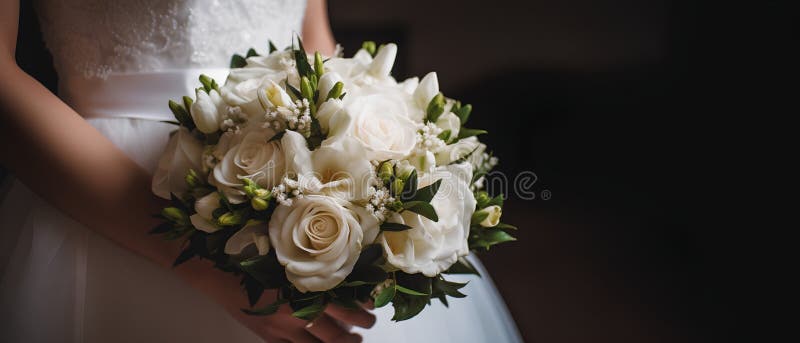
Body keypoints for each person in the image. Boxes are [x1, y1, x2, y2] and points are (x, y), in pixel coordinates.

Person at [0, 0, 522, 342]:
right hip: (103, 197)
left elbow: (310, 39)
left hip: (300, 164)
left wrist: (369, 176)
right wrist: (199, 264)